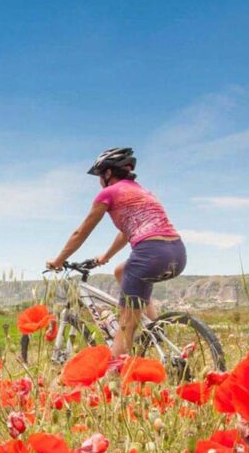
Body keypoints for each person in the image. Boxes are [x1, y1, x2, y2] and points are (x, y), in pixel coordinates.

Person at [45, 147, 185, 360]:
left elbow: (80, 233)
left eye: (100, 176)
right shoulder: (144, 192)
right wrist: (105, 257)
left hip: (149, 254)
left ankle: (114, 373)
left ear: (108, 173)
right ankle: (155, 331)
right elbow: (125, 233)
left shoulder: (108, 193)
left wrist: (58, 261)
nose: (99, 182)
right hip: (177, 253)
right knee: (120, 271)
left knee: (126, 323)